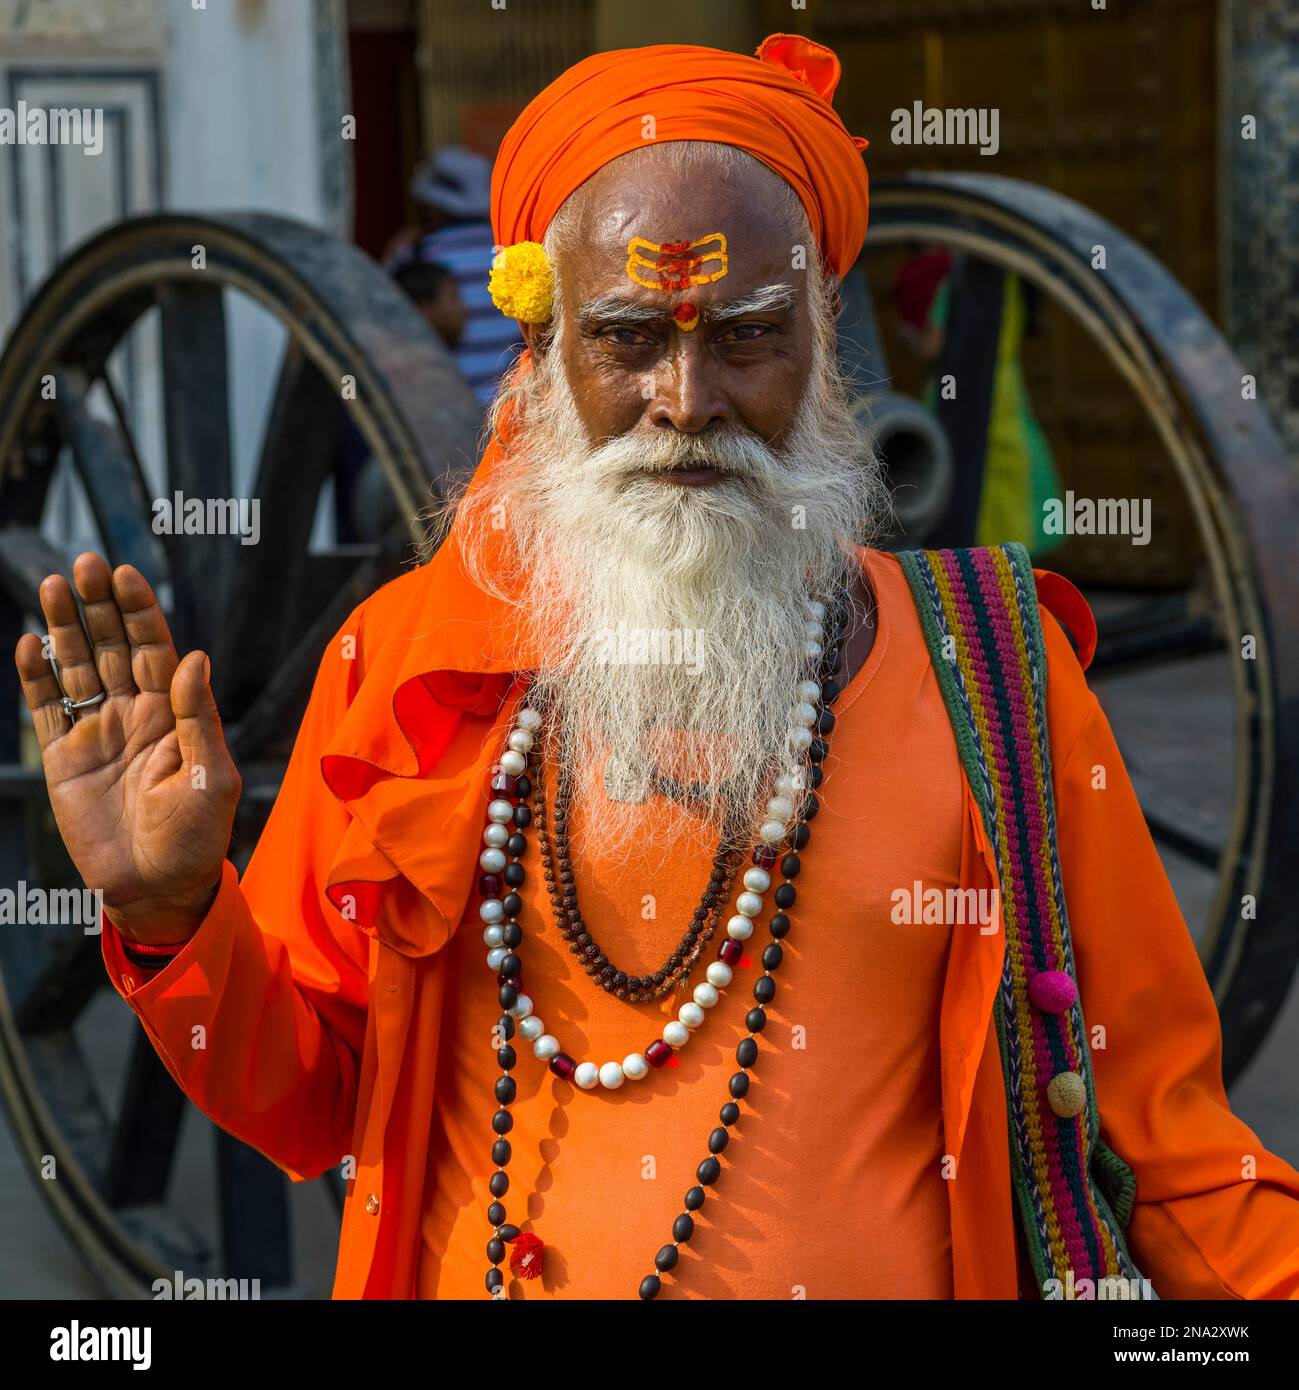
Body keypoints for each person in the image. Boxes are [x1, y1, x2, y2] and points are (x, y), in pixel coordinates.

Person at [13, 33, 1299, 1302]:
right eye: (630, 338)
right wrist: (175, 915)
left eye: (745, 335)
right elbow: (312, 1104)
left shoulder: (1002, 683)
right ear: (546, 348)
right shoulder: (403, 662)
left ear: (823, 331)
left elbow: (1177, 1160)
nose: (688, 399)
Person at [385, 145, 523, 410]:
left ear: (434, 206)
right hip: (510, 405)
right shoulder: (513, 249)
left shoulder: (416, 253)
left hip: (448, 409)